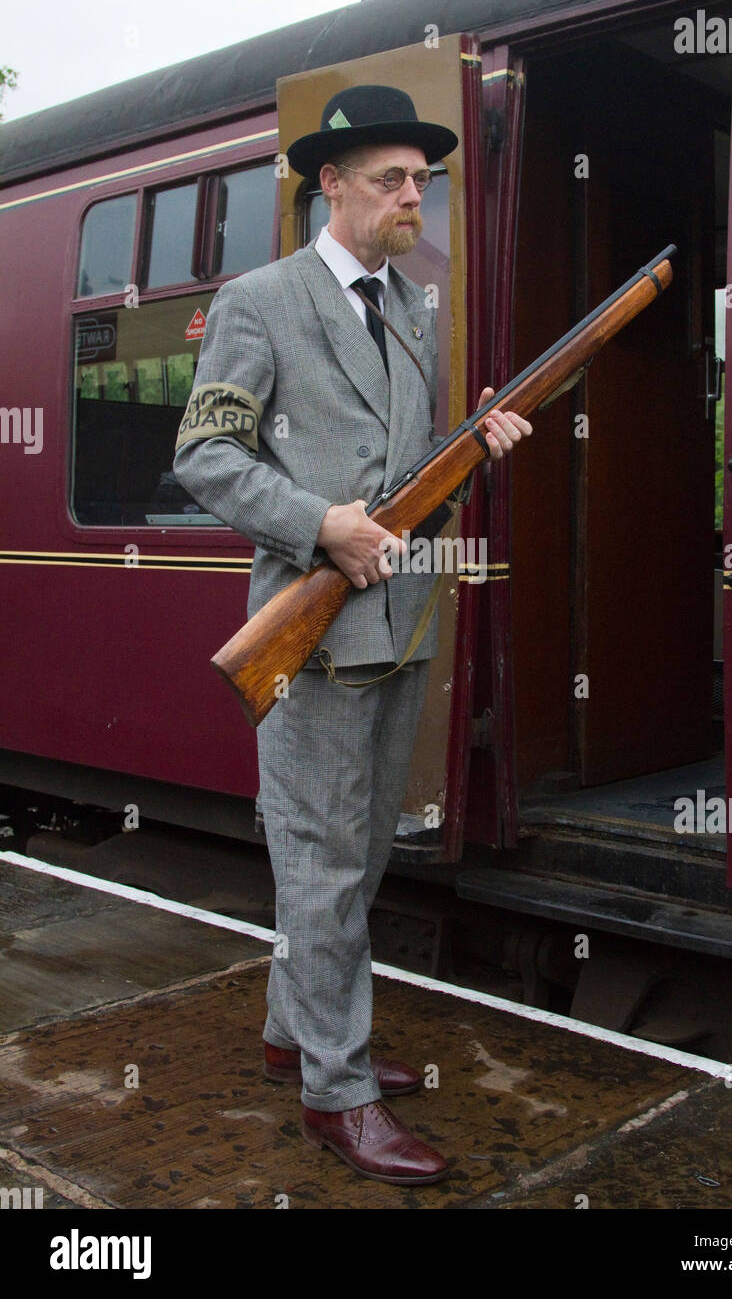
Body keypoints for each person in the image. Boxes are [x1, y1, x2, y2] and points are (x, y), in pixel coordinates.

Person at [173, 85, 531, 1186]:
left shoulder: (408, 307)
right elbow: (207, 456)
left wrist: (471, 445)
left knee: (362, 856)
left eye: (420, 180)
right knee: (323, 870)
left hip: (394, 631)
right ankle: (338, 1090)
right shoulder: (260, 299)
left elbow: (403, 474)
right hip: (311, 641)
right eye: (389, 178)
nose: (410, 196)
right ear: (330, 185)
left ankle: (296, 1032)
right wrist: (316, 522)